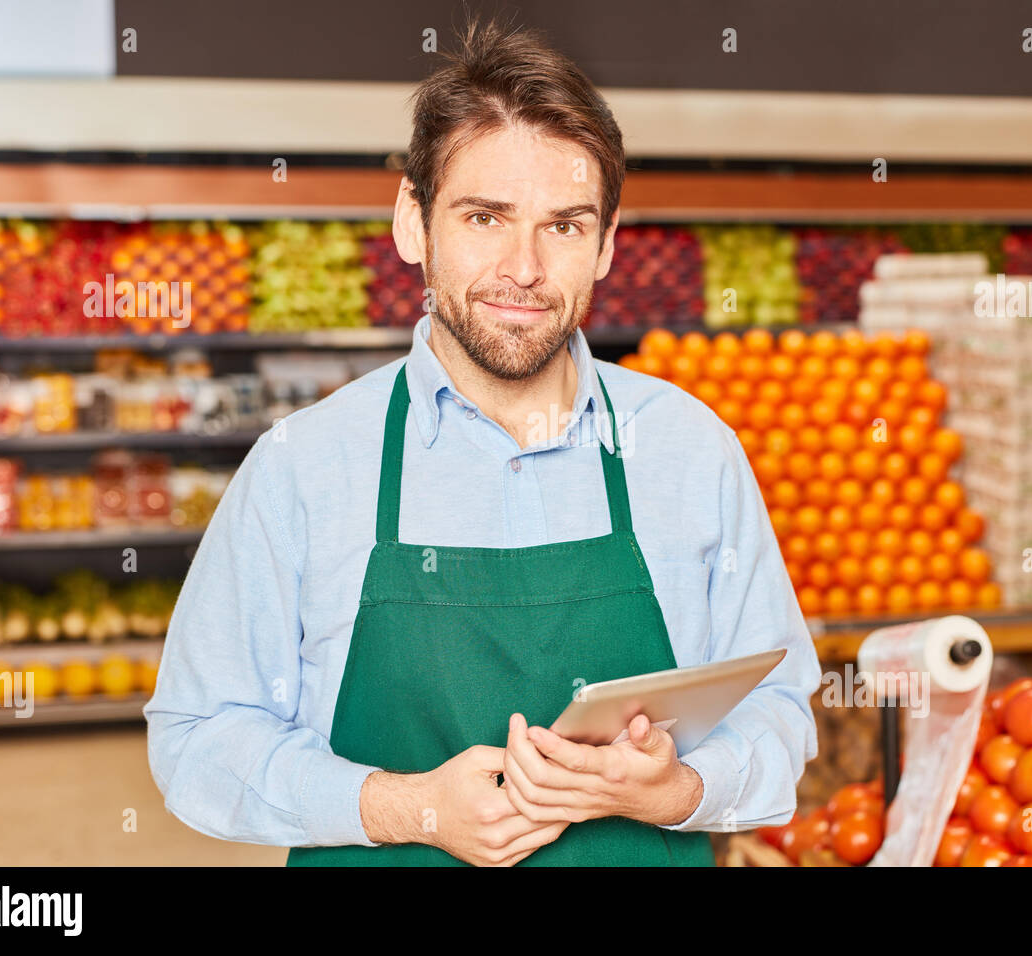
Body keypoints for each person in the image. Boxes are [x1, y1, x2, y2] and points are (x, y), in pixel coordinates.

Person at [145, 14, 820, 867]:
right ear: (413, 224)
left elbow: (782, 708)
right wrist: (404, 807)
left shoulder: (691, 451)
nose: (525, 268)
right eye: (484, 217)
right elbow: (198, 737)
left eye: (565, 225)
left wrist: (679, 790)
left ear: (609, 244)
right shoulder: (305, 468)